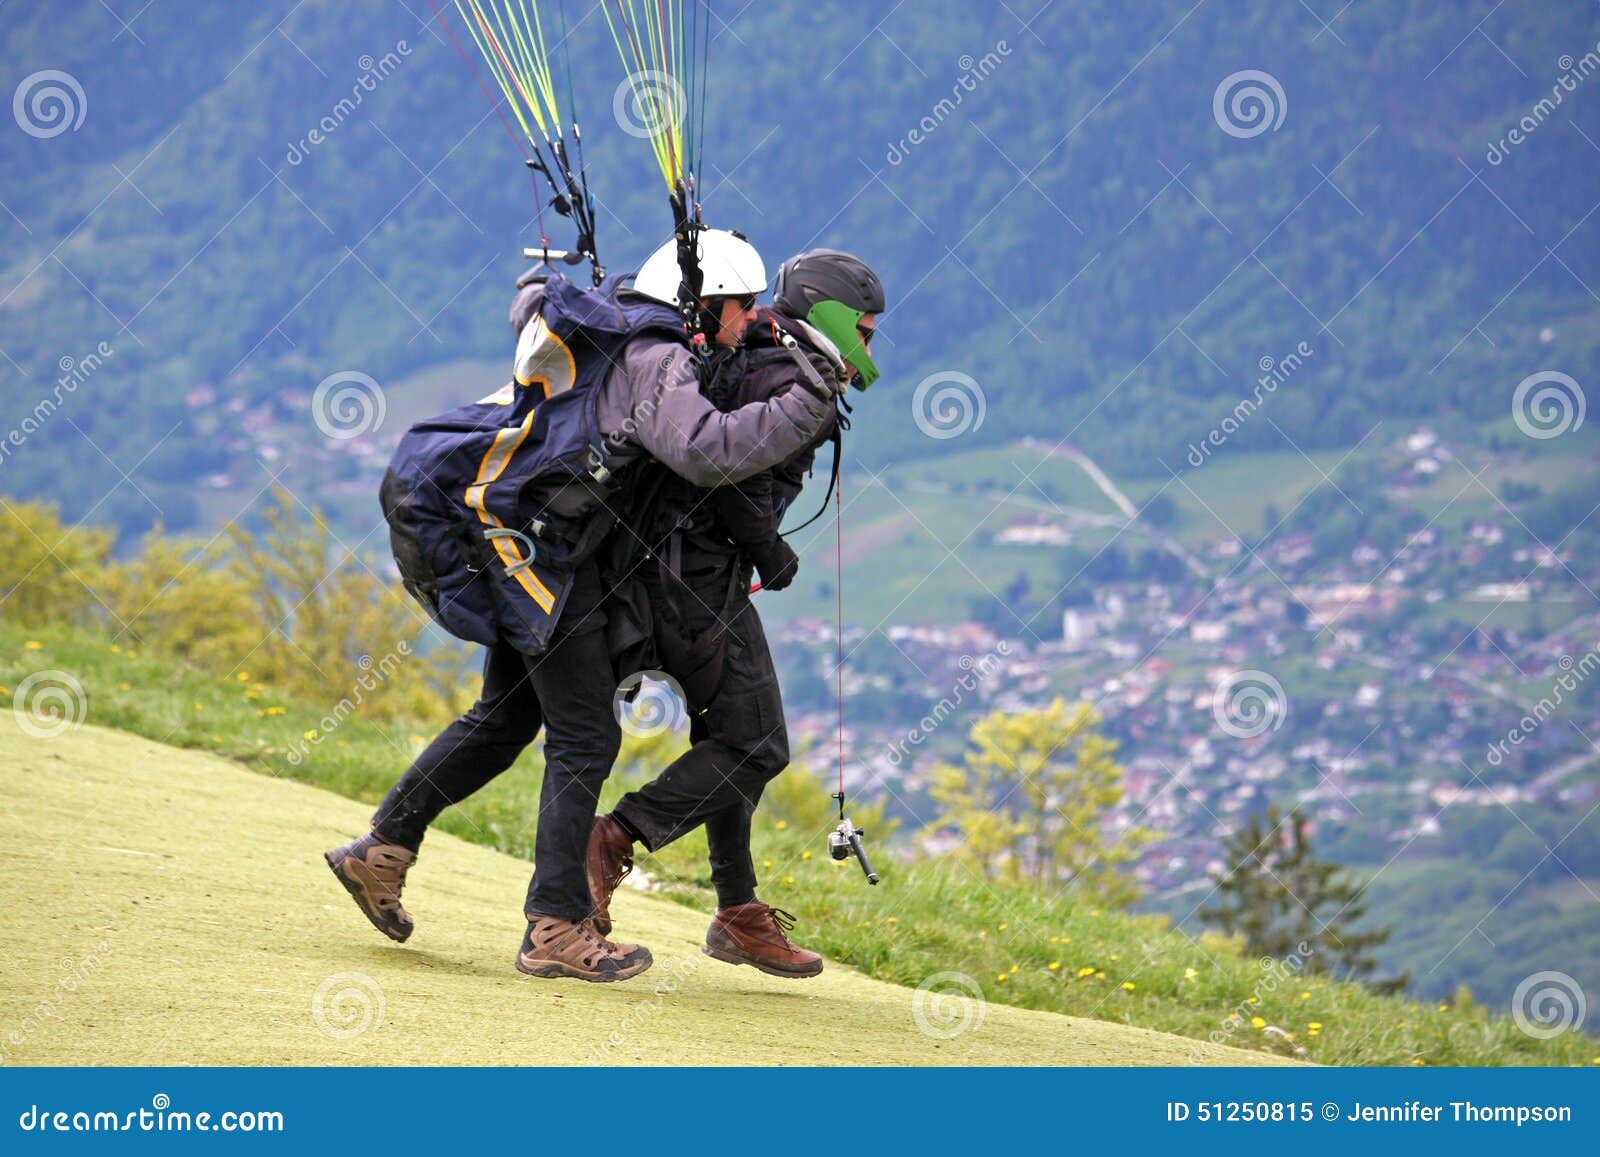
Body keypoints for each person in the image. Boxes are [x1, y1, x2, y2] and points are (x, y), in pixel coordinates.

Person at [324, 231, 846, 984]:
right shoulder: (657, 359)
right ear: (702, 304)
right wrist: (808, 398)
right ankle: (555, 927)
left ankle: (380, 851)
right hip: (545, 556)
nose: (749, 319)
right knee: (583, 733)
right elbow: (711, 450)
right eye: (740, 306)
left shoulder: (622, 321)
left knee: (504, 717)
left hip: (518, 538)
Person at [588, 249, 885, 979]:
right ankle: (615, 838)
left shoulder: (754, 347)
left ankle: (738, 910)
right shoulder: (792, 378)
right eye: (867, 332)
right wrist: (769, 549)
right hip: (700, 580)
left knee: (733, 739)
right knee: (758, 746)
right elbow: (726, 474)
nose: (870, 349)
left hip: (665, 567)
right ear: (832, 317)